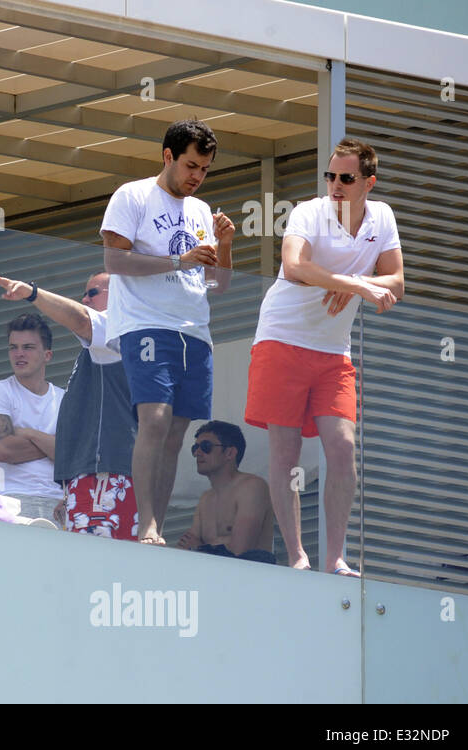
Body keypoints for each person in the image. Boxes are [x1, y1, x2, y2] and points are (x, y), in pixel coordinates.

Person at [245, 137, 403, 576]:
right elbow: (294, 266)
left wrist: (351, 281)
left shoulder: (382, 217)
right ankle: (297, 555)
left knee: (343, 446)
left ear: (368, 182)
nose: (335, 184)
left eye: (346, 178)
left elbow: (397, 281)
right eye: (330, 175)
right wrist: (355, 283)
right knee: (285, 452)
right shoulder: (308, 212)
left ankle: (335, 557)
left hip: (333, 350)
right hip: (281, 338)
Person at [100, 119, 236, 544]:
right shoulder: (134, 195)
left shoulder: (200, 211)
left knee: (177, 433)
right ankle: (146, 524)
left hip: (195, 330)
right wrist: (179, 262)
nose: (197, 177)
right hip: (146, 323)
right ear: (168, 156)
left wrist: (226, 246)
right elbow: (114, 262)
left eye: (205, 169)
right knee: (154, 420)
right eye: (192, 165)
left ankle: (156, 524)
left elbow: (218, 284)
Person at [0, 273, 140, 540]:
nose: (84, 299)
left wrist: (32, 292)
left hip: (104, 475)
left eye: (93, 292)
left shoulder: (119, 327)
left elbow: (82, 319)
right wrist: (72, 489)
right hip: (91, 478)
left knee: (97, 567)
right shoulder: (98, 347)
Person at [0, 313, 65, 524]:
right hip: (9, 500)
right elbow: (3, 450)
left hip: (59, 504)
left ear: (47, 355)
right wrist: (54, 445)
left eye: (28, 347)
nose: (18, 354)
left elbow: (73, 458)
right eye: (13, 347)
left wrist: (28, 433)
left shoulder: (64, 399)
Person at [175, 421, 276, 563]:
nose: (198, 453)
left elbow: (240, 550)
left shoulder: (252, 487)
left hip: (251, 577)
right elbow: (185, 547)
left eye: (206, 447)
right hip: (212, 578)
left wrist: (199, 548)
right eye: (195, 448)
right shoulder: (206, 499)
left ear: (230, 453)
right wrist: (200, 548)